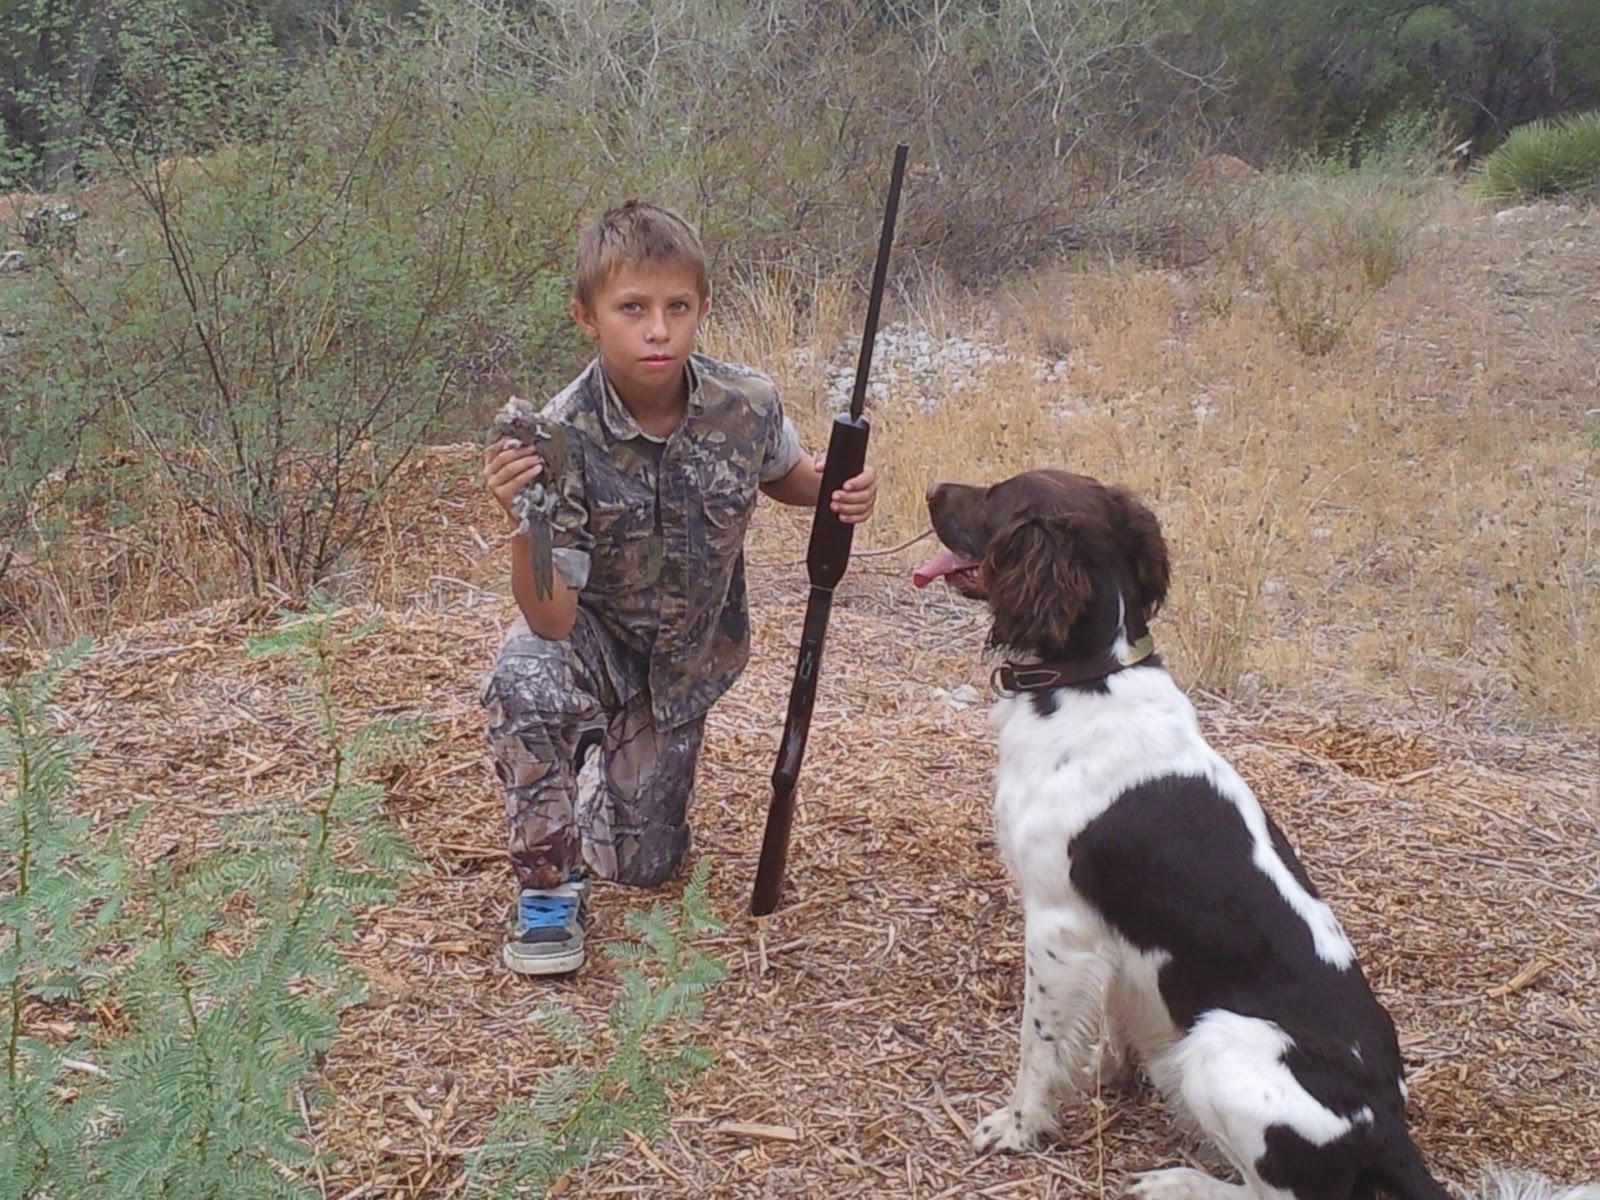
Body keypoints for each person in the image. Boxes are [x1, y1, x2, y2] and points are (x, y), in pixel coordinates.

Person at [480, 201, 878, 976]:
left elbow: (785, 475)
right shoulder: (557, 436)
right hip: (592, 640)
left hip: (684, 666)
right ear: (587, 317)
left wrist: (839, 488)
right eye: (632, 309)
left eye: (677, 308)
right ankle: (548, 895)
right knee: (524, 678)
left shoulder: (747, 402)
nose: (658, 330)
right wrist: (528, 519)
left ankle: (596, 769)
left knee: (643, 867)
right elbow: (551, 618)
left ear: (702, 309)